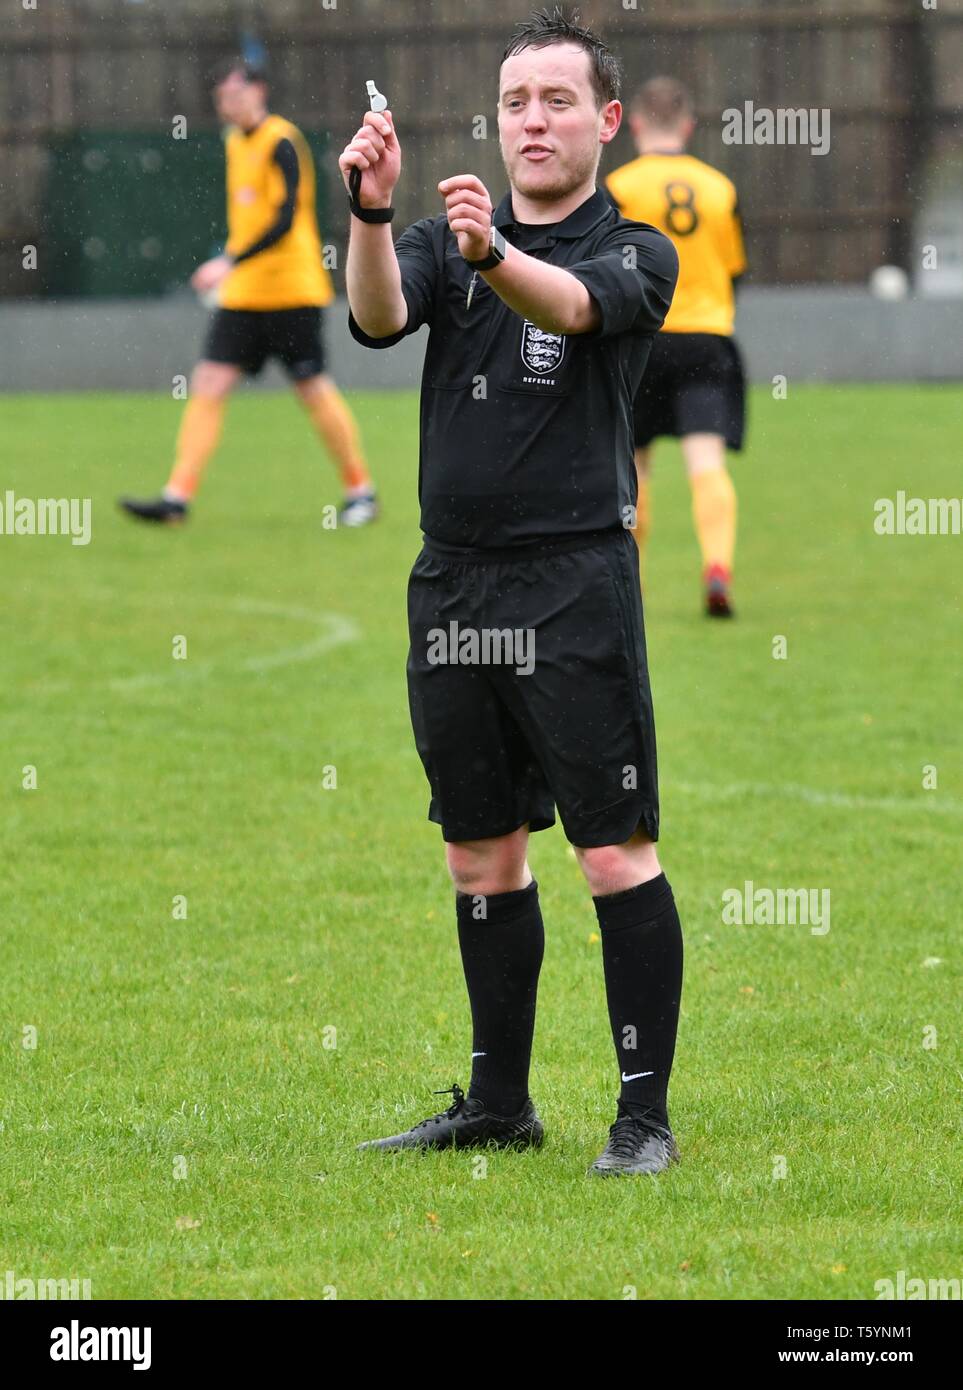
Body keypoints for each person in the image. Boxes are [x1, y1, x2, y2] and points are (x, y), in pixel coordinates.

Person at [342, 7, 685, 1177]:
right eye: (514, 103)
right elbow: (378, 317)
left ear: (608, 118)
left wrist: (493, 254)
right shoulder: (445, 240)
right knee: (480, 855)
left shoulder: (634, 250)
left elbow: (573, 309)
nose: (531, 122)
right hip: (453, 586)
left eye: (556, 101)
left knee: (612, 852)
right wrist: (372, 213)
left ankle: (643, 1117)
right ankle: (499, 1102)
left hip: (575, 584)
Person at [119, 59, 377, 528]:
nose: (228, 105)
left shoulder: (282, 141)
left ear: (260, 91)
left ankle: (361, 491)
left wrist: (228, 260)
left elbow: (285, 218)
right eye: (222, 98)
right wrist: (233, 264)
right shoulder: (234, 141)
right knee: (209, 383)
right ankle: (177, 498)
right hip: (244, 294)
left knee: (312, 388)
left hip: (292, 290)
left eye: (236, 95)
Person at [606, 76, 747, 615]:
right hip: (706, 341)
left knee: (633, 469)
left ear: (635, 124)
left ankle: (631, 584)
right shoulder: (720, 188)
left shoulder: (619, 186)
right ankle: (717, 568)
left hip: (641, 342)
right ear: (688, 126)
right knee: (706, 463)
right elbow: (734, 271)